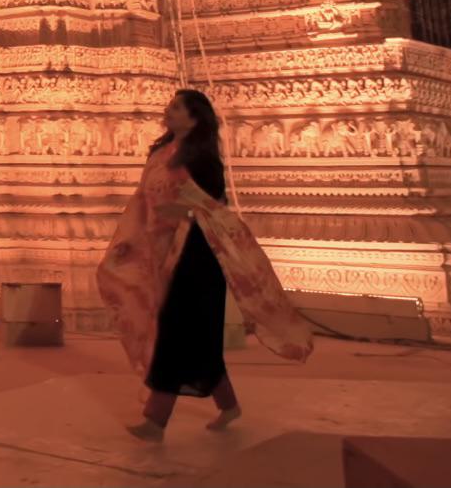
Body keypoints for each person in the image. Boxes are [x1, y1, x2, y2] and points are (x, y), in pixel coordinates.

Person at [97, 88, 312, 441]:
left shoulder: (203, 159)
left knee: (174, 332)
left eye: (177, 107)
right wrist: (129, 242)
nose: (169, 110)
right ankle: (228, 405)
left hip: (197, 255)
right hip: (161, 251)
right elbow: (142, 203)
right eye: (170, 105)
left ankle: (155, 419)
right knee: (199, 342)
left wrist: (181, 212)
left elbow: (214, 209)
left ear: (195, 117)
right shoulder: (160, 154)